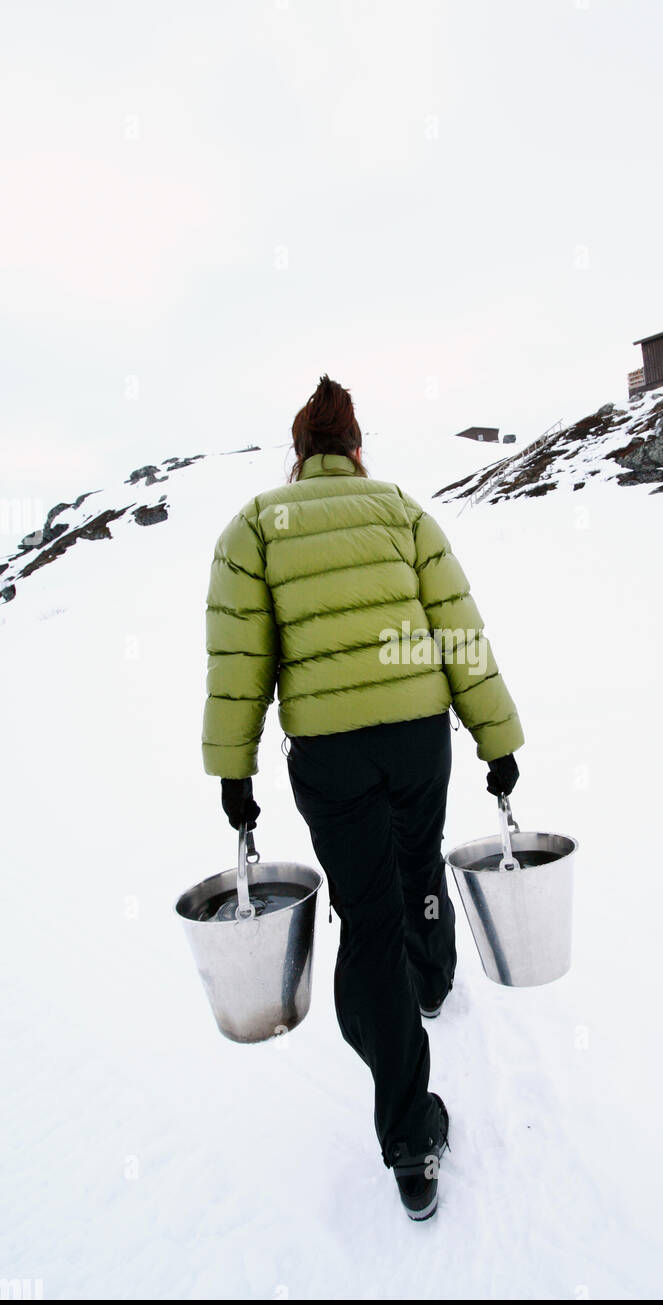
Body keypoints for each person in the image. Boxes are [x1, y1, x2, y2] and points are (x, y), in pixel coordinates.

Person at [202, 374, 523, 1220]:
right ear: (354, 448)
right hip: (418, 733)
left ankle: (411, 1138)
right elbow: (459, 628)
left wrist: (234, 772)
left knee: (368, 916)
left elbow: (241, 667)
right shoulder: (404, 513)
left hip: (332, 755)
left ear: (299, 453)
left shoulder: (253, 529)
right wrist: (497, 741)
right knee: (418, 863)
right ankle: (434, 978)